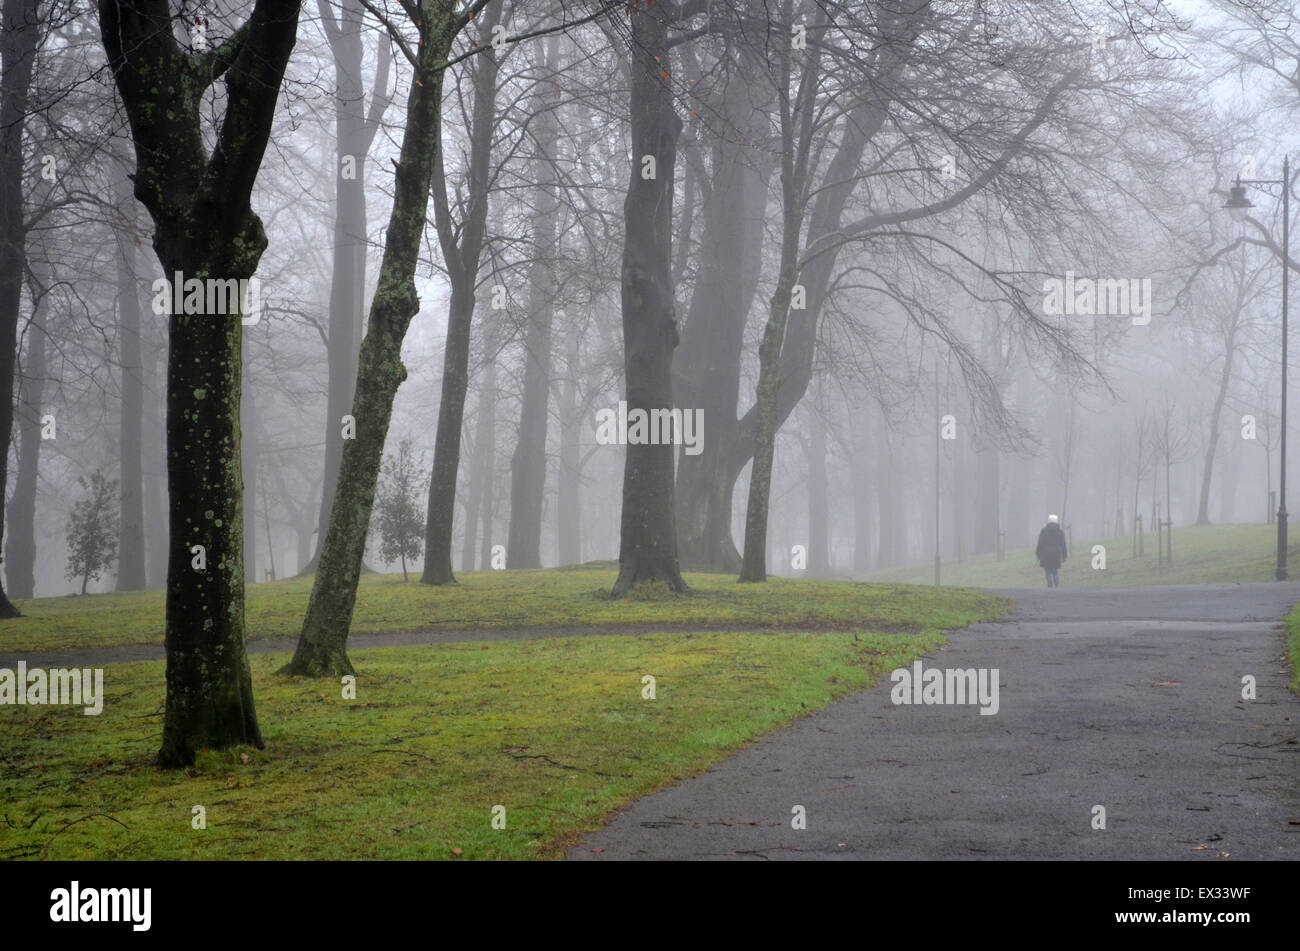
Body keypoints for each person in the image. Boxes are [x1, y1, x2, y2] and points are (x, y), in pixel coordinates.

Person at [1035, 514, 1068, 588]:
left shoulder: (1044, 531)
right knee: (1055, 571)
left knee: (1048, 571)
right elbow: (1063, 545)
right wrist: (1064, 556)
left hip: (1046, 554)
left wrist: (1038, 554)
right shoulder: (1060, 532)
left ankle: (1050, 587)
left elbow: (1040, 543)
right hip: (1056, 554)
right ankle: (1057, 586)